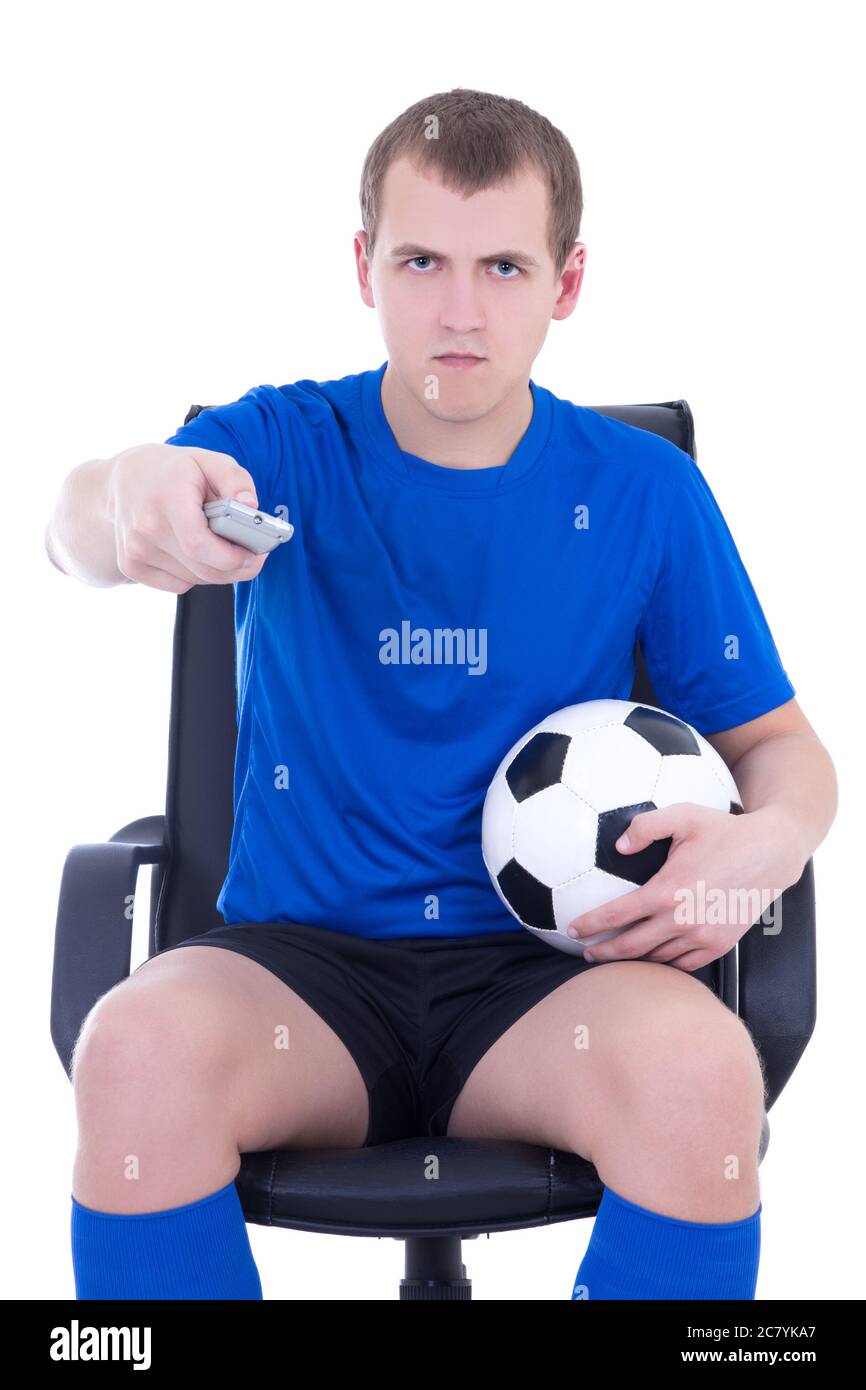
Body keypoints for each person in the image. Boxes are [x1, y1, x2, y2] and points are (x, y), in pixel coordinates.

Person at [46, 87, 837, 1301]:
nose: (458, 312)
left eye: (503, 266)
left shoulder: (639, 492)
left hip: (545, 982)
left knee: (698, 1068)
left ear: (565, 284)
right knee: (133, 1050)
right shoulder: (282, 443)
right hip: (293, 977)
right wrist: (118, 497)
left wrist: (760, 842)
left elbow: (782, 751)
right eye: (419, 260)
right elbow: (79, 526)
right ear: (363, 266)